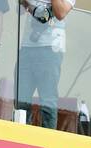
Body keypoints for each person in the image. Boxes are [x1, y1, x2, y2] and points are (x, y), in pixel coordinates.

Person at [16, 0, 76, 130]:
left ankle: (47, 141)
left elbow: (60, 12)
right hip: (27, 46)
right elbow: (19, 11)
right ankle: (19, 137)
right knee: (20, 100)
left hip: (51, 47)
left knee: (47, 101)